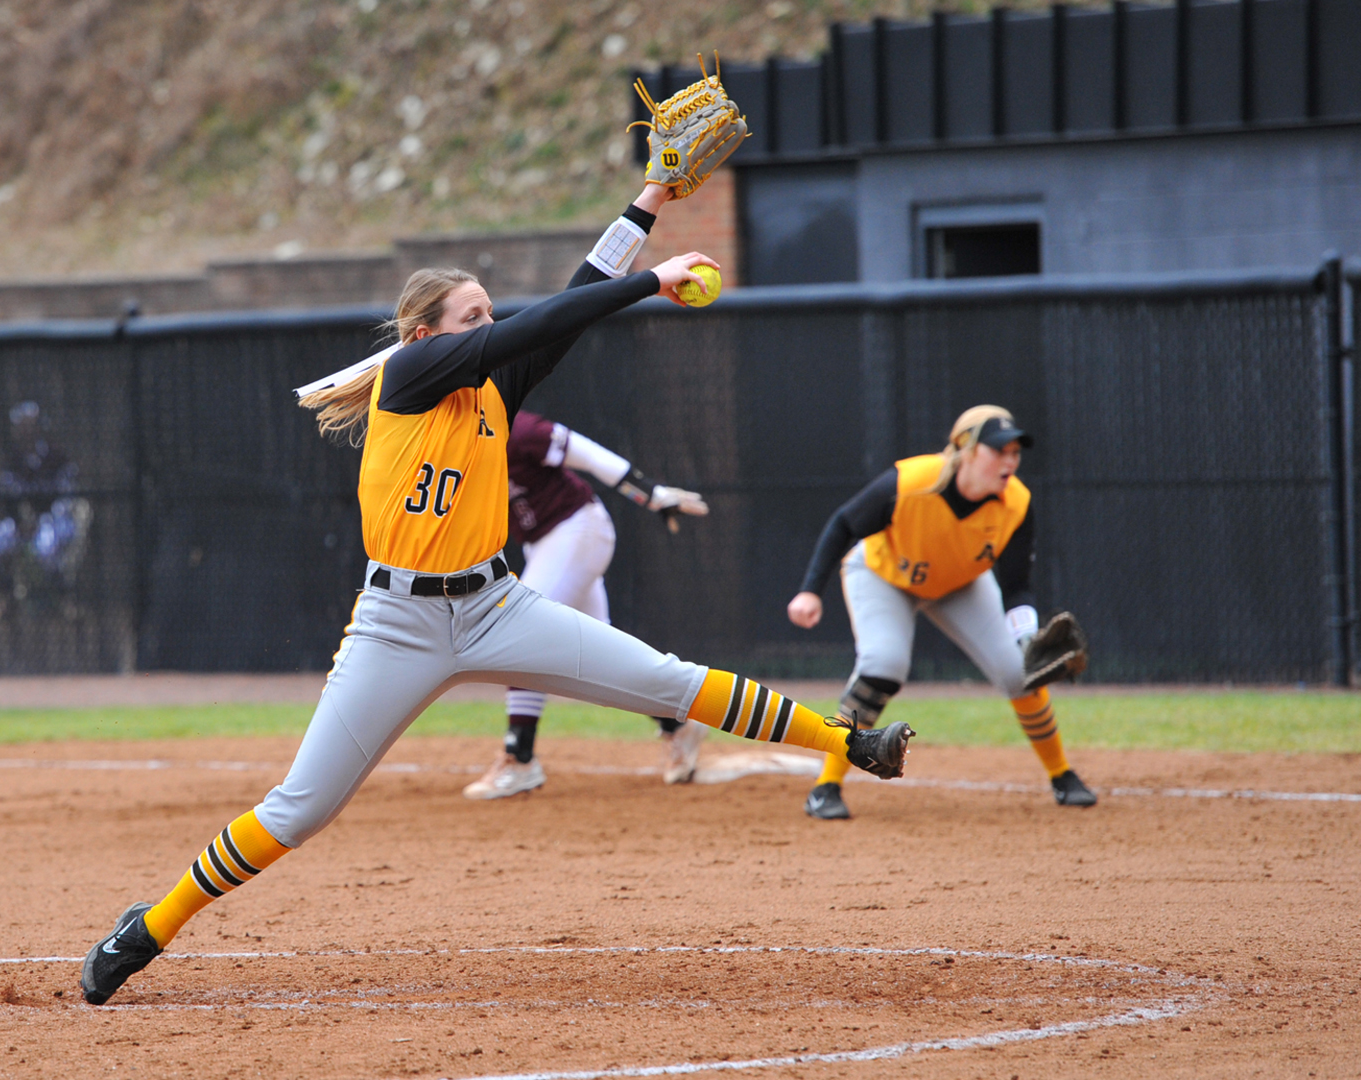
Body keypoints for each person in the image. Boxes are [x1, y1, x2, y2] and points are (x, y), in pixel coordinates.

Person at [75, 183, 915, 1005]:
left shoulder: (491, 390)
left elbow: (570, 302)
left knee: (668, 679)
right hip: (397, 624)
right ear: (423, 333)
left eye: (488, 312)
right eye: (472, 315)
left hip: (495, 607)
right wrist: (652, 282)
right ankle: (148, 927)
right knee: (298, 811)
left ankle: (850, 745)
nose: (489, 325)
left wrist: (649, 202)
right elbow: (551, 317)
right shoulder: (409, 375)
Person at [786, 405, 1097, 821]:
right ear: (965, 450)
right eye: (998, 450)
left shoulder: (1016, 504)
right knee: (884, 664)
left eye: (1015, 452)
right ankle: (826, 785)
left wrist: (1027, 638)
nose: (1010, 461)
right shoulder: (912, 482)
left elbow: (1017, 585)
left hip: (959, 583)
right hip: (884, 574)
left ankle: (1062, 774)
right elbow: (843, 524)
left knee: (1020, 671)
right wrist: (810, 591)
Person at [464, 410, 711, 798]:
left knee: (518, 630)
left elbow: (590, 455)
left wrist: (650, 495)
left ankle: (520, 757)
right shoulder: (450, 439)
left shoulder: (518, 428)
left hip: (576, 529)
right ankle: (676, 724)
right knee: (607, 661)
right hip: (545, 543)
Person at [0, 402, 88, 600]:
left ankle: (62, 597)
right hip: (23, 525)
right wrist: (20, 521)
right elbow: (9, 498)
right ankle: (8, 594)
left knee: (45, 548)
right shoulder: (14, 459)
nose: (23, 430)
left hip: (54, 521)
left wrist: (44, 519)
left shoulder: (56, 457)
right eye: (19, 425)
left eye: (28, 424)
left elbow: (68, 497)